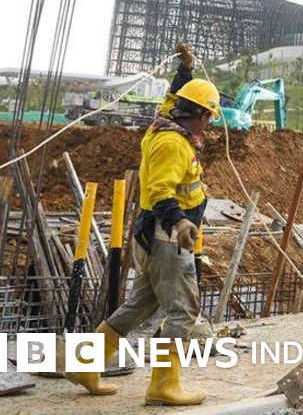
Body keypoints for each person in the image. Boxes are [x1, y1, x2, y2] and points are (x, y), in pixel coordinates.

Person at [61, 42, 217, 407]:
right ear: (204, 116)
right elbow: (161, 190)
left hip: (151, 237)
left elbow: (169, 100)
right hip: (167, 238)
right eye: (210, 116)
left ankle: (86, 365)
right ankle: (163, 385)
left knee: (138, 307)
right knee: (183, 310)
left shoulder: (164, 125)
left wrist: (185, 71)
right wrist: (179, 223)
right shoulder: (173, 145)